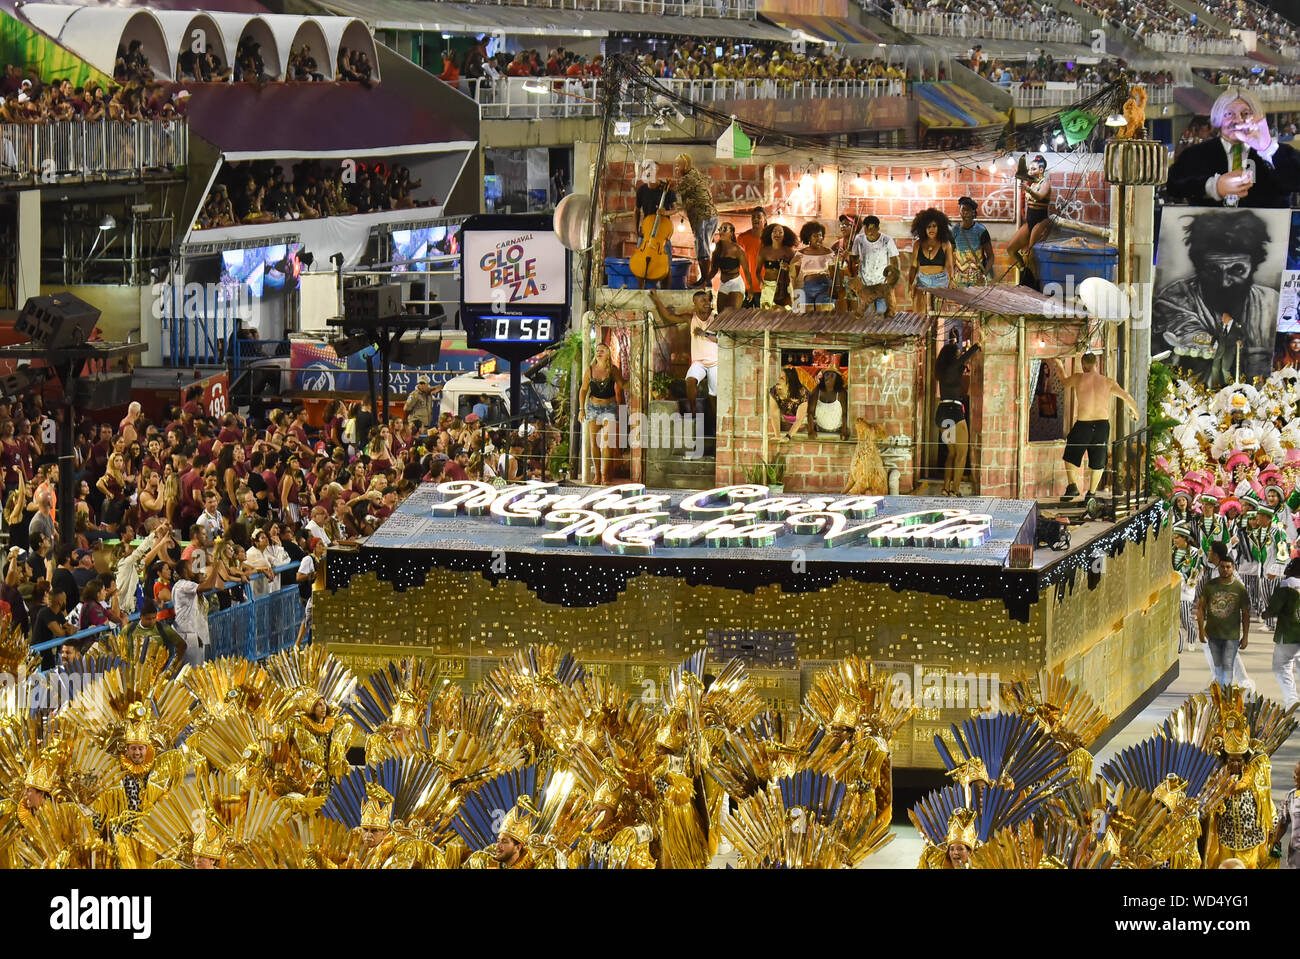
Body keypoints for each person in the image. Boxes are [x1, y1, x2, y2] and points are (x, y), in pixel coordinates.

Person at [1153, 209, 1278, 389]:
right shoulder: (1174, 299)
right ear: (1199, 267)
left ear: (1254, 265)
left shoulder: (1269, 303)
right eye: (1213, 270)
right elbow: (1187, 335)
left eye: (1237, 269)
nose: (1224, 282)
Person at [1166, 87, 1300, 209]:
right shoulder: (1196, 154)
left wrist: (1267, 148)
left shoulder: (1278, 152)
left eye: (1246, 113)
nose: (1238, 120)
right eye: (1229, 114)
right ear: (1219, 117)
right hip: (1211, 231)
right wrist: (1214, 187)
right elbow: (1173, 185)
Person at [1048, 352, 1139, 502]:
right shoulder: (1108, 381)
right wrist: (1136, 413)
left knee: (1071, 454)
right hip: (1102, 425)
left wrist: (1059, 365)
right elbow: (1126, 396)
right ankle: (1091, 492)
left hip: (1084, 424)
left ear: (1083, 365)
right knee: (1098, 459)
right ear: (1096, 364)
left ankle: (1073, 486)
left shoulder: (1078, 377)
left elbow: (1064, 382)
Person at [650, 289, 717, 428]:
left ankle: (716, 423)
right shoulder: (690, 318)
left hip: (715, 362)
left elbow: (722, 340)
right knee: (690, 381)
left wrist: (704, 334)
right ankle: (693, 411)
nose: (706, 303)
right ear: (695, 303)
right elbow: (668, 316)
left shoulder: (716, 318)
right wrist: (656, 299)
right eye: (702, 300)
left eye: (707, 300)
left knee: (713, 397)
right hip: (699, 362)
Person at [1197, 543, 1250, 689]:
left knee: (1229, 654)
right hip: (1216, 622)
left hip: (1227, 623)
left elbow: (1241, 598)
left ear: (1216, 555)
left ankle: (1241, 681)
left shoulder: (1227, 575)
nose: (1208, 553)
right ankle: (1220, 679)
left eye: (1210, 551)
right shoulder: (1215, 572)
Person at [936, 336, 980, 496]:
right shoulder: (953, 366)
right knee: (962, 453)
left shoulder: (943, 370)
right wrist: (978, 345)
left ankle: (946, 487)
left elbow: (961, 366)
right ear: (953, 356)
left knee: (952, 453)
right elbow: (964, 359)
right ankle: (955, 489)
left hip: (942, 412)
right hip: (953, 411)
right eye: (957, 353)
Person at [578, 342, 625, 486]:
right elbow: (583, 390)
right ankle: (597, 474)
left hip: (609, 407)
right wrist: (582, 409)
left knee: (606, 442)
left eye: (602, 350)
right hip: (593, 407)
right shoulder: (590, 370)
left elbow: (622, 385)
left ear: (608, 354)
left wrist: (637, 379)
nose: (599, 352)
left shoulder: (613, 370)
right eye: (597, 350)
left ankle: (605, 475)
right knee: (594, 443)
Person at [673, 154, 718, 287]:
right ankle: (705, 279)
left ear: (686, 165)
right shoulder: (695, 174)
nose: (676, 168)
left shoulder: (688, 178)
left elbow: (674, 191)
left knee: (703, 250)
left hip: (704, 217)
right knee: (701, 249)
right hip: (706, 217)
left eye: (678, 165)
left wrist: (662, 185)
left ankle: (706, 280)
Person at [172, 554, 223, 667]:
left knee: (198, 671)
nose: (195, 570)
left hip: (195, 635)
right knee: (189, 672)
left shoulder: (192, 587)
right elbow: (209, 586)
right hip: (186, 634)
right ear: (185, 570)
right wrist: (216, 568)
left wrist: (199, 636)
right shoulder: (182, 585)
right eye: (191, 566)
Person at [1006, 154, 1052, 277]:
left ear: (1041, 170)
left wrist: (1028, 190)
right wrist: (1028, 188)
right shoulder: (1032, 184)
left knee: (1031, 254)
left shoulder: (1045, 184)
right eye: (1030, 169)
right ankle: (1023, 270)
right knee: (1011, 249)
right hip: (1029, 222)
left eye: (1033, 169)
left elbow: (1041, 196)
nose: (1030, 171)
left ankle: (1035, 282)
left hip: (1040, 221)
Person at [1264, 557, 1300, 708]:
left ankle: (1292, 700)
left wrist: (1265, 615)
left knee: (1282, 666)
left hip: (1288, 635)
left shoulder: (1285, 587)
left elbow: (1272, 610)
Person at [850, 216, 901, 315]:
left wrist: (891, 278)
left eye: (872, 228)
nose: (869, 231)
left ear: (878, 228)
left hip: (882, 284)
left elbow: (894, 260)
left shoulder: (887, 240)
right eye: (867, 228)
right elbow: (854, 259)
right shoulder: (858, 239)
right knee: (865, 316)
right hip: (865, 284)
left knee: (881, 316)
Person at [704, 222, 755, 312]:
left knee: (732, 314)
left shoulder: (738, 250)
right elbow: (714, 269)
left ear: (731, 233)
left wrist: (750, 289)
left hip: (736, 284)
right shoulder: (717, 249)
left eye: (725, 229)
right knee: (721, 314)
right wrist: (705, 282)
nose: (721, 232)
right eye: (720, 229)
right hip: (723, 284)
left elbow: (746, 271)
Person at [1172, 525, 1205, 652]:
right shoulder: (1172, 550)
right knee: (1173, 619)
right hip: (1172, 586)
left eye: (1177, 538)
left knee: (1185, 618)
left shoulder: (1195, 552)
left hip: (1185, 589)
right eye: (1174, 538)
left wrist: (1185, 582)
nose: (1175, 540)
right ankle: (1178, 644)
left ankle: (1192, 636)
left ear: (1185, 539)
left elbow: (1196, 569)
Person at [791, 222, 835, 311]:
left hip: (825, 286)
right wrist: (794, 292)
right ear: (808, 237)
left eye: (820, 235)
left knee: (823, 315)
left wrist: (834, 289)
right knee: (807, 317)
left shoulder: (828, 252)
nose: (819, 239)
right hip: (807, 287)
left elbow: (834, 273)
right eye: (815, 236)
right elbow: (793, 275)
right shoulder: (801, 253)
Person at [951, 197, 993, 287]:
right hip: (959, 278)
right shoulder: (955, 230)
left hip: (977, 279)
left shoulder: (981, 231)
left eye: (968, 210)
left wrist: (984, 276)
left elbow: (990, 256)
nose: (965, 212)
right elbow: (949, 254)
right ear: (959, 211)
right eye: (963, 210)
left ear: (973, 212)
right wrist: (951, 275)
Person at [1268, 760, 1300, 870]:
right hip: (1295, 855)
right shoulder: (1291, 796)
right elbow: (1283, 821)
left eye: (1297, 774)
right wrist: (1275, 841)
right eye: (1295, 774)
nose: (1294, 777)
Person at [756, 223, 796, 308]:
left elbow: (795, 270)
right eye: (774, 231)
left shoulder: (789, 251)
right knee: (766, 314)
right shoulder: (764, 251)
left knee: (783, 313)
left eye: (780, 232)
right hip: (767, 286)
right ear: (770, 234)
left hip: (783, 287)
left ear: (784, 235)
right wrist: (760, 281)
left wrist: (788, 268)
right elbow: (757, 271)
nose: (777, 234)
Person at [805, 368, 850, 441]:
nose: (828, 377)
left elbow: (845, 414)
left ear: (837, 379)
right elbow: (810, 412)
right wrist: (811, 430)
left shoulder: (841, 393)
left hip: (837, 433)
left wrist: (844, 431)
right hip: (819, 432)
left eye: (832, 375)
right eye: (826, 375)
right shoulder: (817, 391)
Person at [736, 207, 766, 307]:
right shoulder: (742, 237)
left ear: (765, 219)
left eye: (759, 217)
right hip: (745, 287)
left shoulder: (770, 238)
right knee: (743, 319)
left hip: (765, 287)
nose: (755, 219)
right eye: (753, 217)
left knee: (764, 320)